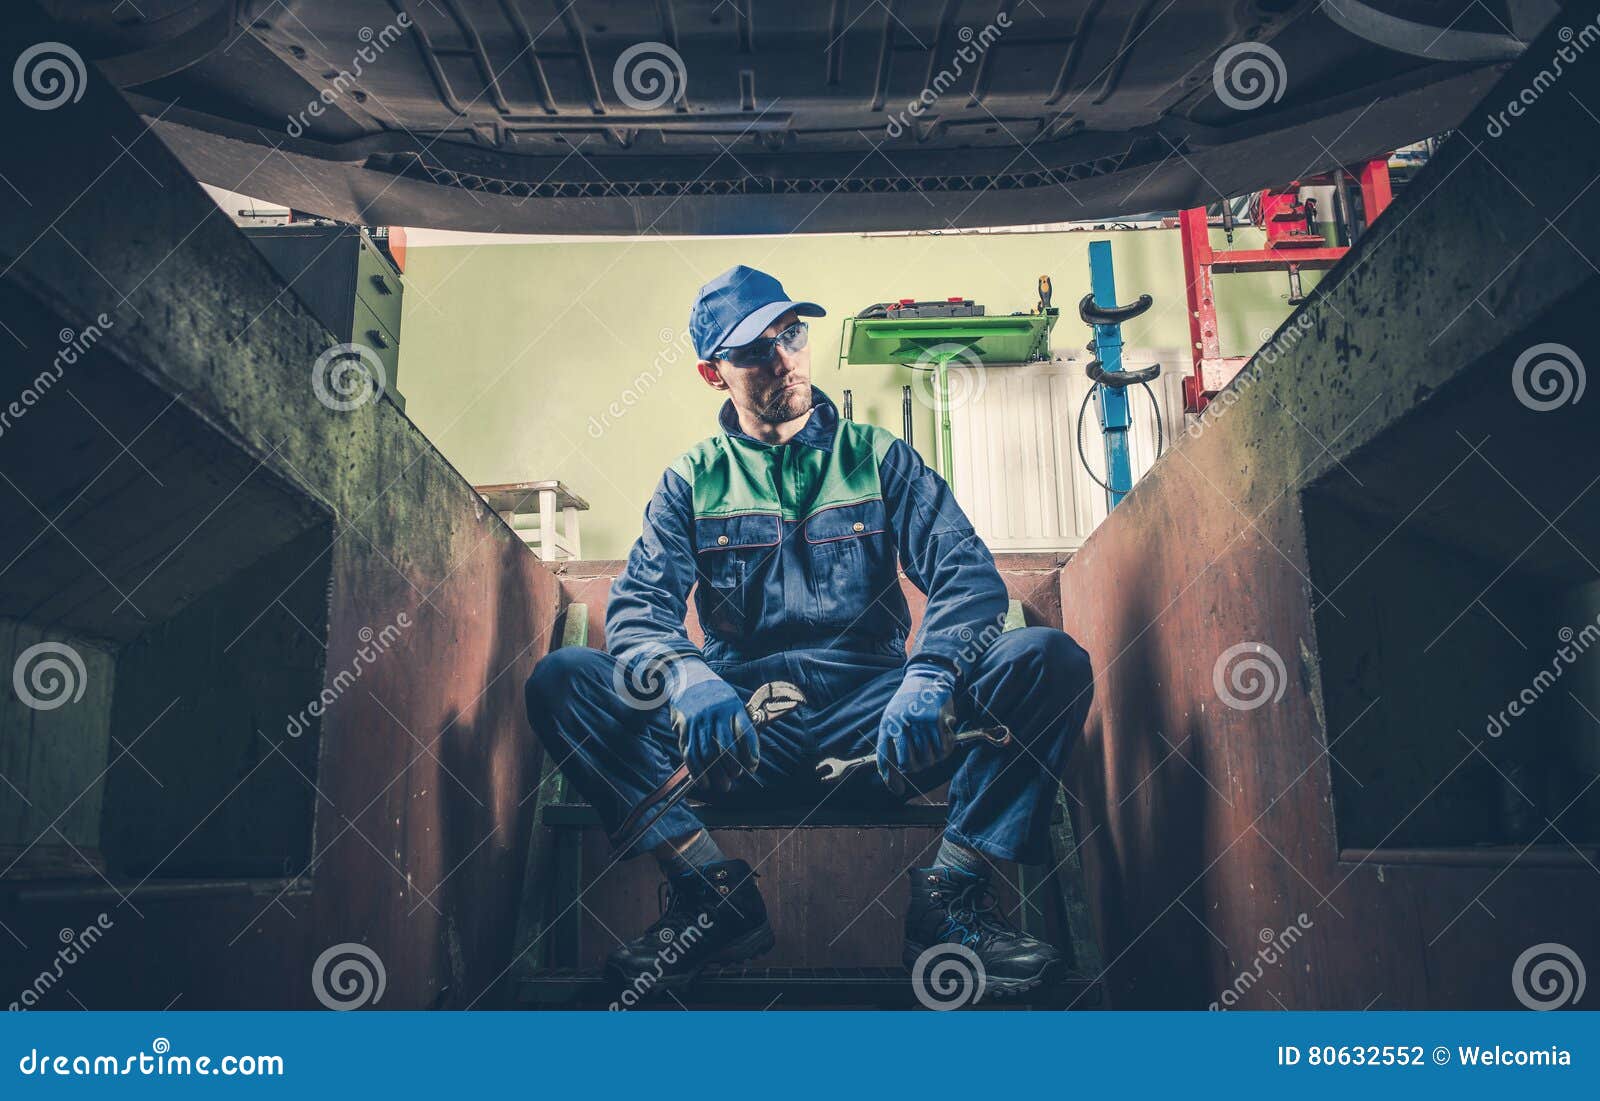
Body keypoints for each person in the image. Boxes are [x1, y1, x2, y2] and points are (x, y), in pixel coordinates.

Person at [525, 264, 1094, 999]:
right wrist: (688, 678)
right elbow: (638, 611)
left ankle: (950, 900)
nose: (783, 357)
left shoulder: (880, 457)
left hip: (882, 724)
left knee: (1046, 657)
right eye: (755, 349)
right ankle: (710, 896)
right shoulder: (691, 480)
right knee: (563, 680)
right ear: (712, 373)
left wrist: (929, 678)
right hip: (741, 737)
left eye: (791, 333)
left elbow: (967, 576)